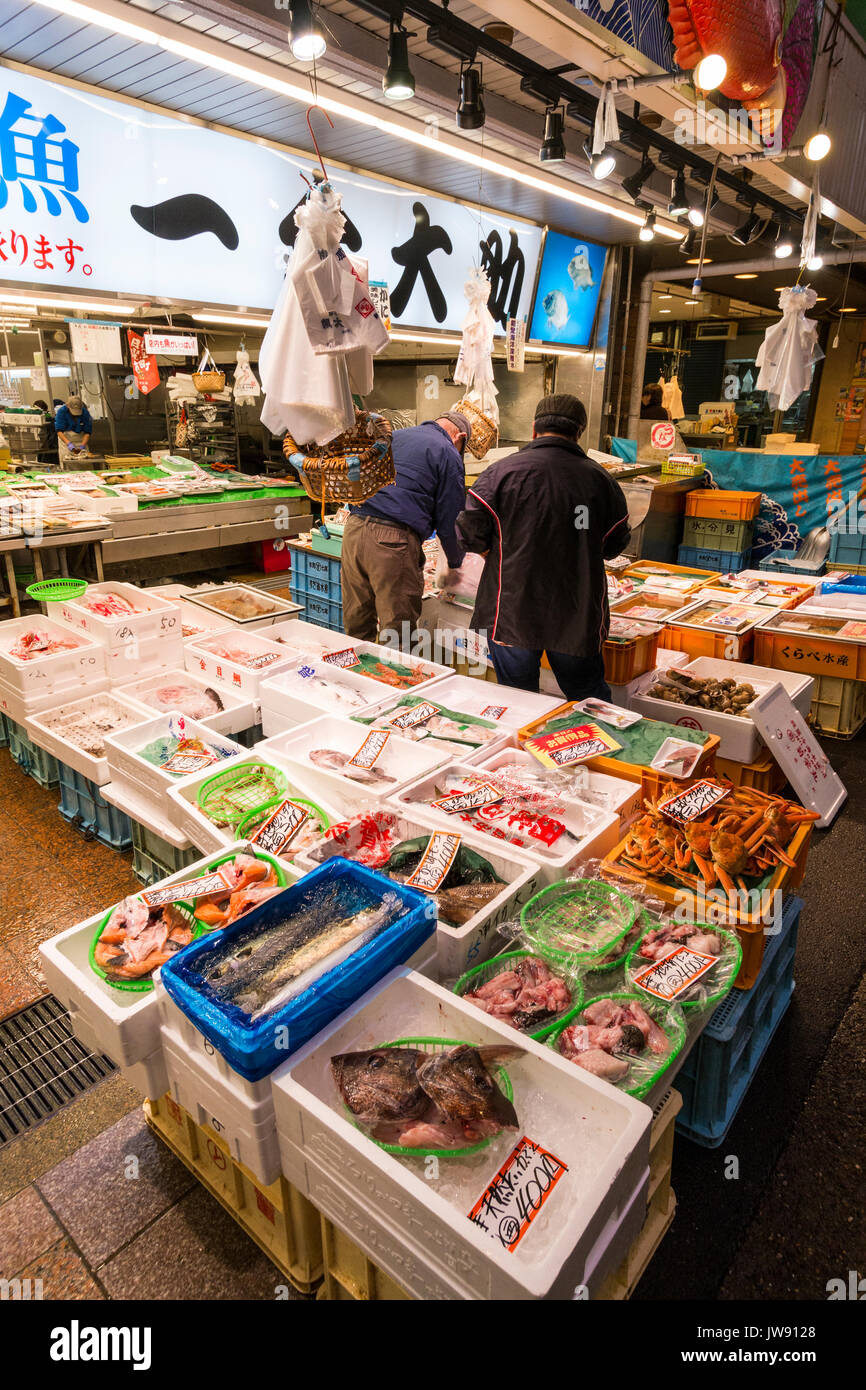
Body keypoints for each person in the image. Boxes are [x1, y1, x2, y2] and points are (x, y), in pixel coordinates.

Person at [456, 393, 630, 701]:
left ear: (535, 429)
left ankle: (525, 748)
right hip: (576, 615)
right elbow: (615, 544)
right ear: (579, 432)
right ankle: (599, 748)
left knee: (520, 701)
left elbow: (468, 531)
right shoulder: (600, 480)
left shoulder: (500, 473)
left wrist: (499, 554)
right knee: (589, 700)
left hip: (512, 615)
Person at [341, 412, 470, 645]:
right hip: (392, 540)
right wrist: (455, 561)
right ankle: (391, 680)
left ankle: (358, 678)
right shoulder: (447, 451)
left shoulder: (395, 436)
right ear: (459, 436)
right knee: (397, 635)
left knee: (357, 623)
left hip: (354, 529)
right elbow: (451, 518)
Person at [55, 394, 93, 462]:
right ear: (67, 406)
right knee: (68, 463)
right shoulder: (61, 412)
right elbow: (59, 431)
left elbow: (87, 432)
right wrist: (69, 444)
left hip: (81, 440)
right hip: (66, 441)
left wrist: (82, 446)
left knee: (84, 463)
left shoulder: (85, 413)